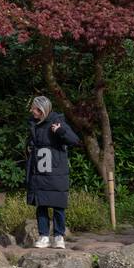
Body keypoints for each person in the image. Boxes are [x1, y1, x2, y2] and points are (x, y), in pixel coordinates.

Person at [26, 95, 81, 249]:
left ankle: (59, 237)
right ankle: (43, 236)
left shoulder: (58, 121)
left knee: (58, 206)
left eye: (35, 109)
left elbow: (75, 141)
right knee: (41, 205)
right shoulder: (34, 125)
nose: (32, 111)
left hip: (56, 172)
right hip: (39, 172)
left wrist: (60, 131)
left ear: (42, 110)